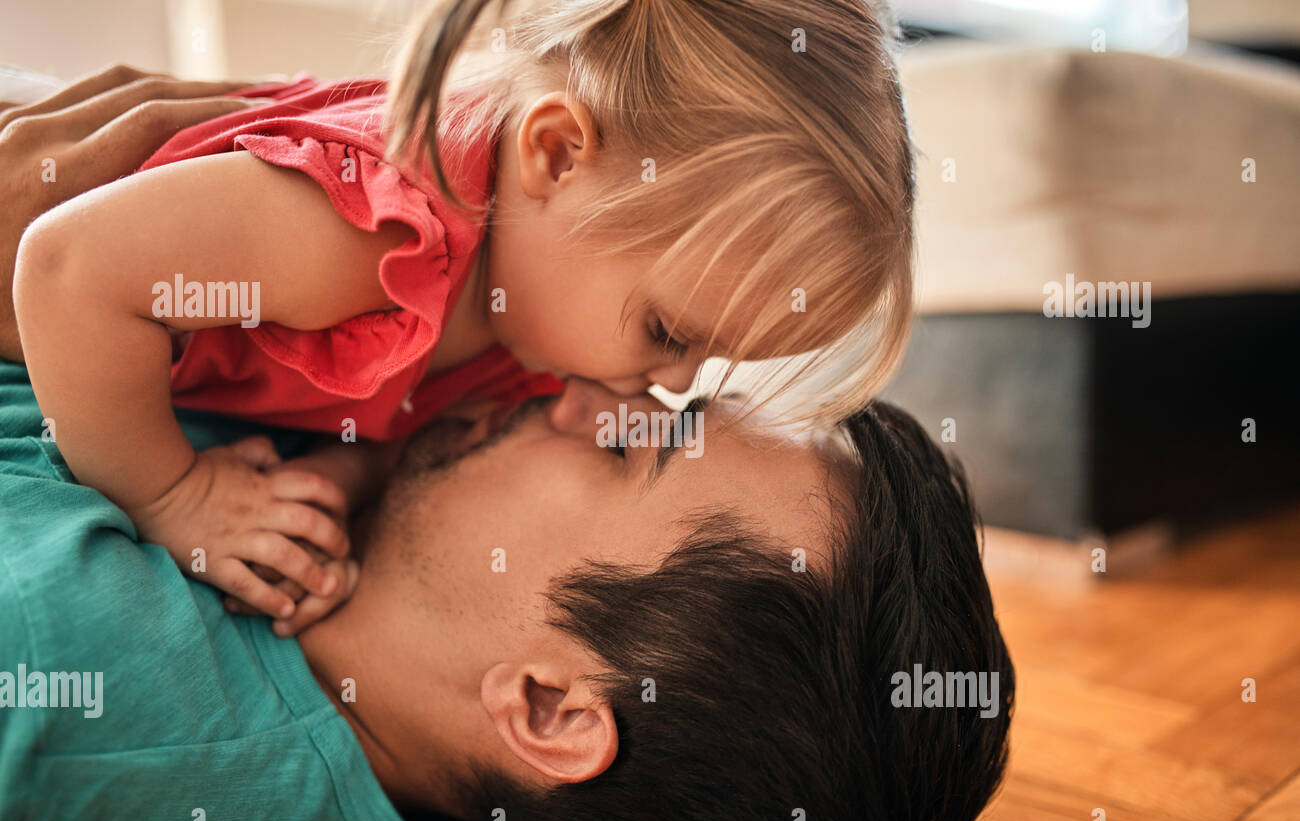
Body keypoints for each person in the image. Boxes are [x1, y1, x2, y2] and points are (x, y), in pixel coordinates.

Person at [0, 69, 1009, 821]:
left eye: (628, 449)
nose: (581, 390)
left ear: (546, 707)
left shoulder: (60, 687)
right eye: (662, 393)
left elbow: (69, 262)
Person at [11, 0, 918, 624]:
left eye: (713, 362)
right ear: (558, 155)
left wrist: (339, 484)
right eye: (669, 333)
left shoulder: (540, 312)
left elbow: (402, 421)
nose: (672, 385)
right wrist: (178, 495)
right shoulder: (373, 231)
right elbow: (66, 270)